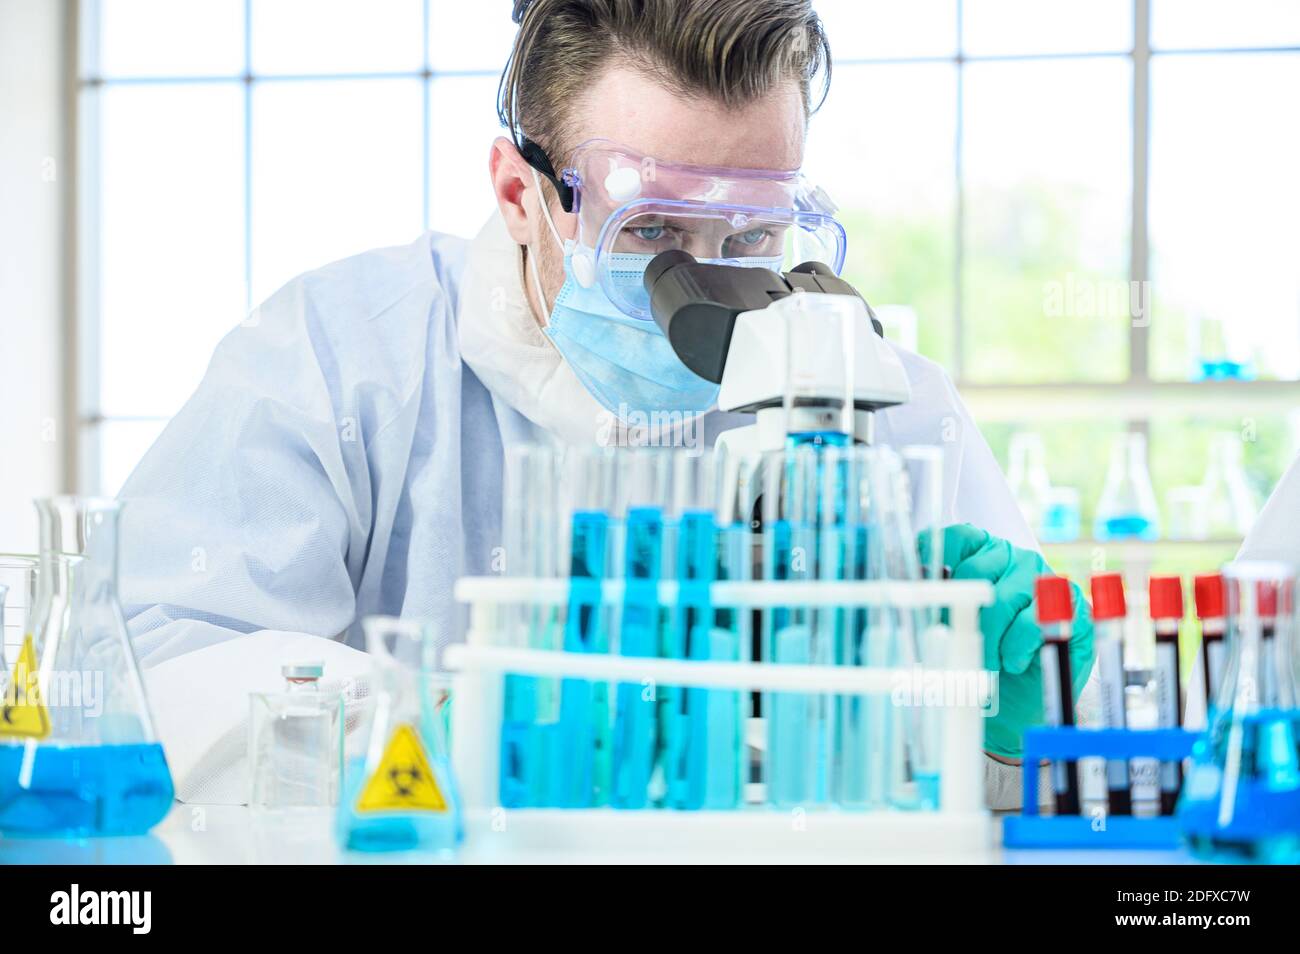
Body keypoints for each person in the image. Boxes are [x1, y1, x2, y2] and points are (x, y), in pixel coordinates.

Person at [118, 0, 1091, 805]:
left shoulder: (880, 408)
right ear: (519, 192)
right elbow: (165, 667)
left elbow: (1008, 799)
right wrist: (431, 729)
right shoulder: (340, 360)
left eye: (751, 235)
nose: (707, 287)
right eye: (654, 230)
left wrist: (1008, 734)